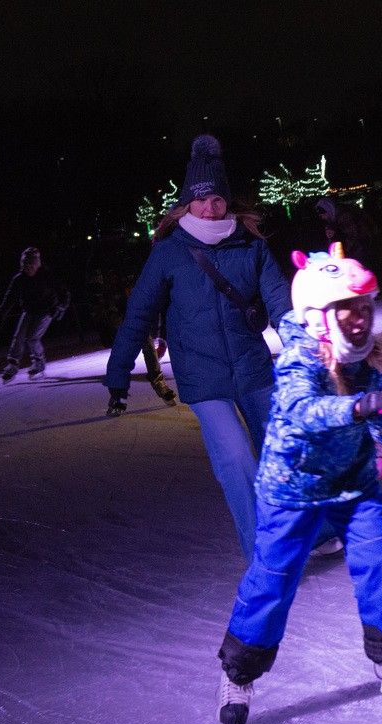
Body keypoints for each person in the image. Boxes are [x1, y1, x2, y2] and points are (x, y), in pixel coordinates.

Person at [216, 246, 382, 724]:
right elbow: (302, 413)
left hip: (354, 484)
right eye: (346, 310)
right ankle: (238, 673)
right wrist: (364, 408)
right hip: (292, 488)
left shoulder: (371, 359)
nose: (359, 319)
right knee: (274, 579)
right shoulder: (299, 359)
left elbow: (379, 416)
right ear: (318, 317)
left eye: (364, 308)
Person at [104, 135, 316, 562]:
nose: (209, 208)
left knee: (282, 446)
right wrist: (118, 376)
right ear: (186, 205)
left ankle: (315, 525)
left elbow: (278, 299)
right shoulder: (168, 253)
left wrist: (301, 344)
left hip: (252, 366)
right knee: (236, 457)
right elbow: (139, 315)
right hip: (203, 377)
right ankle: (265, 548)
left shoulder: (251, 246)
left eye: (217, 199)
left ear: (227, 203)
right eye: (200, 201)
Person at [0, 247, 69, 382]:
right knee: (19, 335)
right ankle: (13, 364)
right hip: (29, 311)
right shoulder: (19, 279)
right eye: (24, 265)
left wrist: (61, 307)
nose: (27, 268)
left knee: (32, 338)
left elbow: (64, 292)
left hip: (46, 311)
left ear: (36, 264)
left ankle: (39, 362)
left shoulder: (47, 275)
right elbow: (9, 298)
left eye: (30, 265)